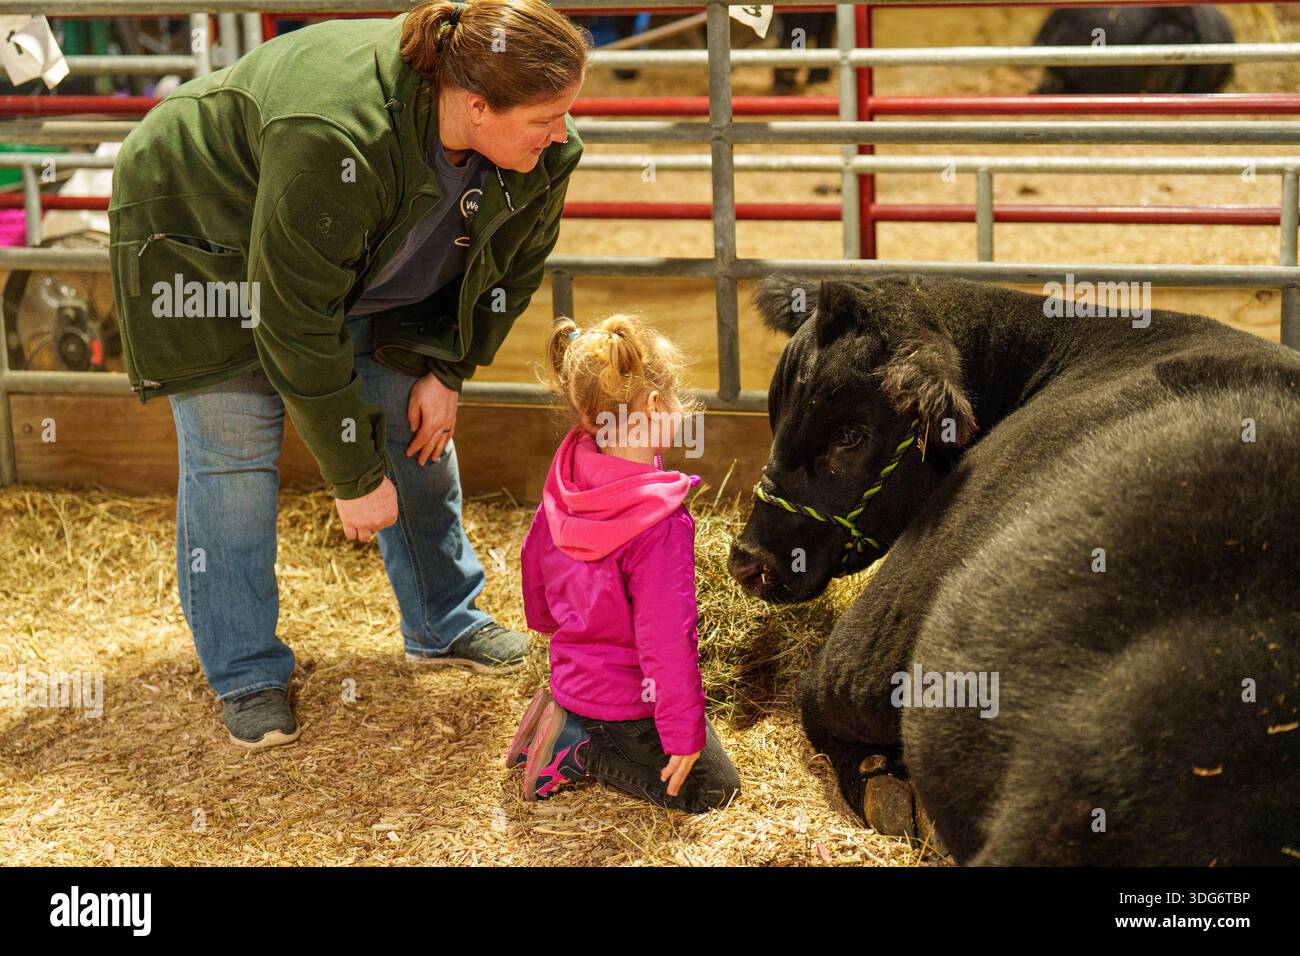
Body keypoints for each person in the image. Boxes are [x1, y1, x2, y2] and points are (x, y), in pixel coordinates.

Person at [106, 0, 592, 750]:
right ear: (475, 105)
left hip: (340, 247)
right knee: (233, 452)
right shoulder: (335, 137)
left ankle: (444, 620)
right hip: (205, 234)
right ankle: (247, 672)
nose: (563, 132)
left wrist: (445, 366)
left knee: (415, 421)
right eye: (546, 116)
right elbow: (295, 320)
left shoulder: (540, 152)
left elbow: (511, 266)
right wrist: (354, 475)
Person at [505, 314, 741, 813]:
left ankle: (562, 712)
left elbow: (533, 557)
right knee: (715, 788)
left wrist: (550, 626)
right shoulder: (658, 522)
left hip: (572, 671)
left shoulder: (570, 472)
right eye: (676, 398)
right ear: (655, 405)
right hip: (625, 699)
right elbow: (666, 639)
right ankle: (581, 745)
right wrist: (681, 732)